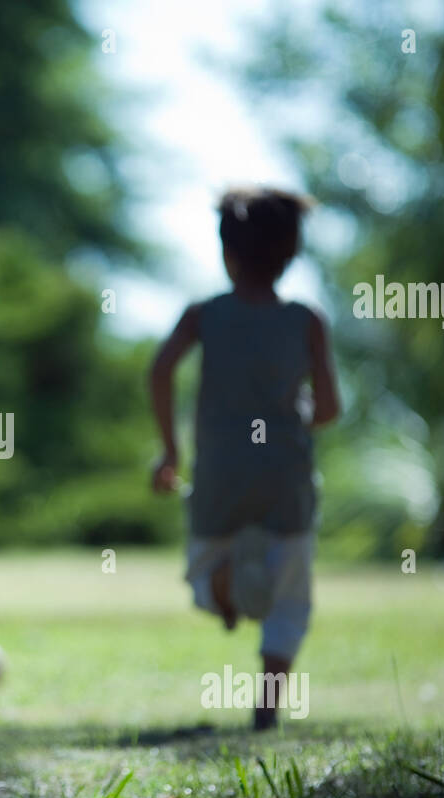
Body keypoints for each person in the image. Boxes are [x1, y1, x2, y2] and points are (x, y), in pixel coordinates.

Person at [149, 187, 341, 730]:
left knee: (201, 582)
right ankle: (266, 710)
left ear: (226, 253)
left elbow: (160, 370)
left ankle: (230, 581)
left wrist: (170, 449)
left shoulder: (204, 314)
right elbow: (328, 409)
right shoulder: (307, 320)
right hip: (286, 474)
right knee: (290, 598)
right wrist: (297, 408)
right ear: (291, 255)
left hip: (220, 473)